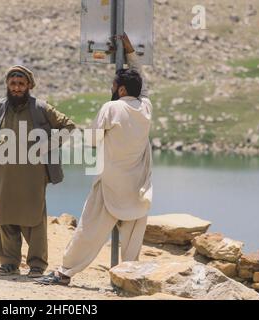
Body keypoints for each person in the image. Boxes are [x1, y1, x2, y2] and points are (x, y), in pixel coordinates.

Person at [36, 33, 153, 285]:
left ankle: (64, 272)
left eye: (113, 86)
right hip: (137, 185)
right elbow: (142, 84)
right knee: (132, 239)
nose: (112, 89)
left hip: (110, 182)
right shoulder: (146, 107)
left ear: (120, 89)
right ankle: (128, 279)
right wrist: (131, 54)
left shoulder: (112, 108)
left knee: (89, 230)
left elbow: (91, 140)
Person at [0, 65, 76, 278]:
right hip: (4, 172)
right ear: (7, 85)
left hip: (33, 172)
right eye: (13, 84)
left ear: (29, 85)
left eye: (21, 84)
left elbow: (68, 126)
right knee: (6, 215)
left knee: (34, 217)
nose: (17, 88)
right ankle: (9, 264)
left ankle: (37, 266)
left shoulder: (41, 108)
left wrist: (46, 145)